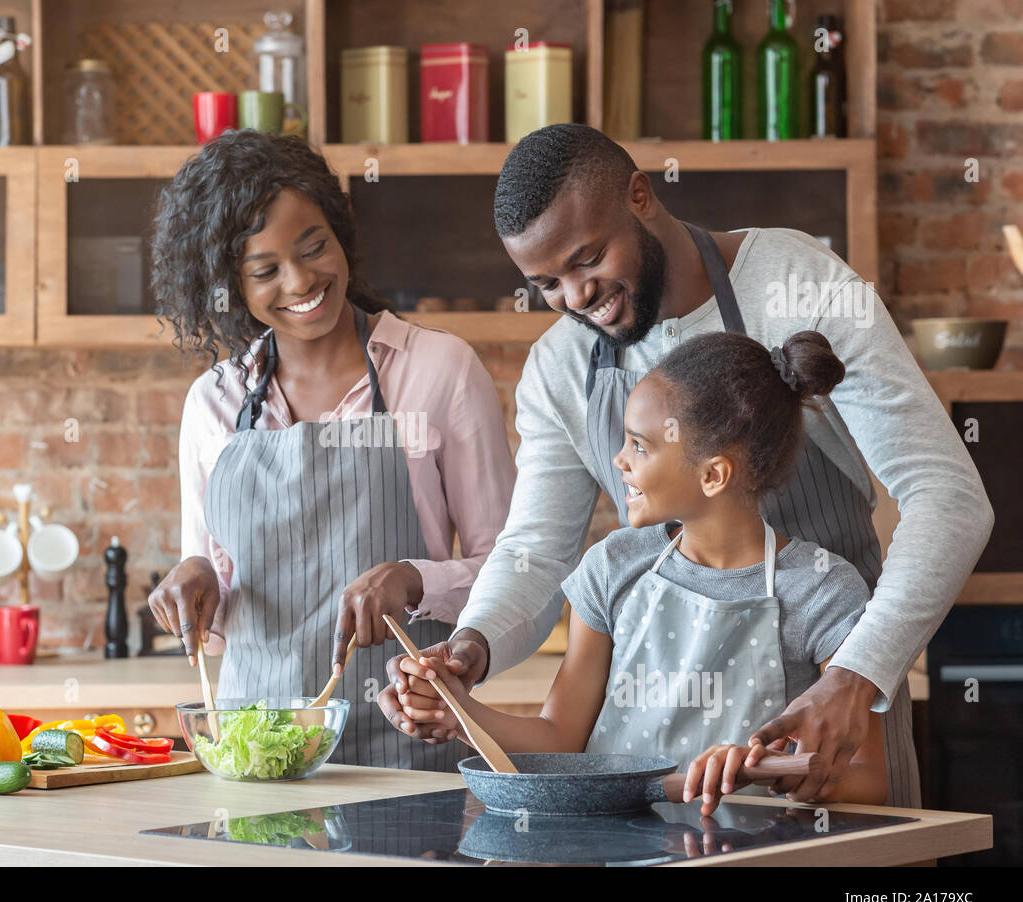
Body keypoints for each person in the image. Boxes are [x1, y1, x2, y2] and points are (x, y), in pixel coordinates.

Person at [380, 124, 992, 806]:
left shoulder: (797, 286)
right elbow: (535, 553)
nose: (576, 296)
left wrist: (854, 675)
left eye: (588, 259)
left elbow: (947, 496)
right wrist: (471, 648)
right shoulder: (559, 369)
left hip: (841, 708)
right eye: (547, 283)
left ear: (640, 195)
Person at [391, 330, 888, 814]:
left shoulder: (822, 588)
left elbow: (868, 777)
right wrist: (458, 710)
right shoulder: (613, 566)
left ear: (713, 474)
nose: (619, 460)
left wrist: (773, 772)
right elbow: (560, 740)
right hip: (615, 853)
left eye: (639, 445)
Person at [147, 130, 515, 770]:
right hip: (254, 751)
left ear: (341, 234)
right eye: (265, 271)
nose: (300, 280)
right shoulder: (213, 402)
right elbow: (216, 588)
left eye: (314, 247)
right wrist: (196, 580)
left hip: (405, 741)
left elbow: (514, 570)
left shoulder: (438, 370)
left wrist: (415, 579)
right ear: (230, 286)